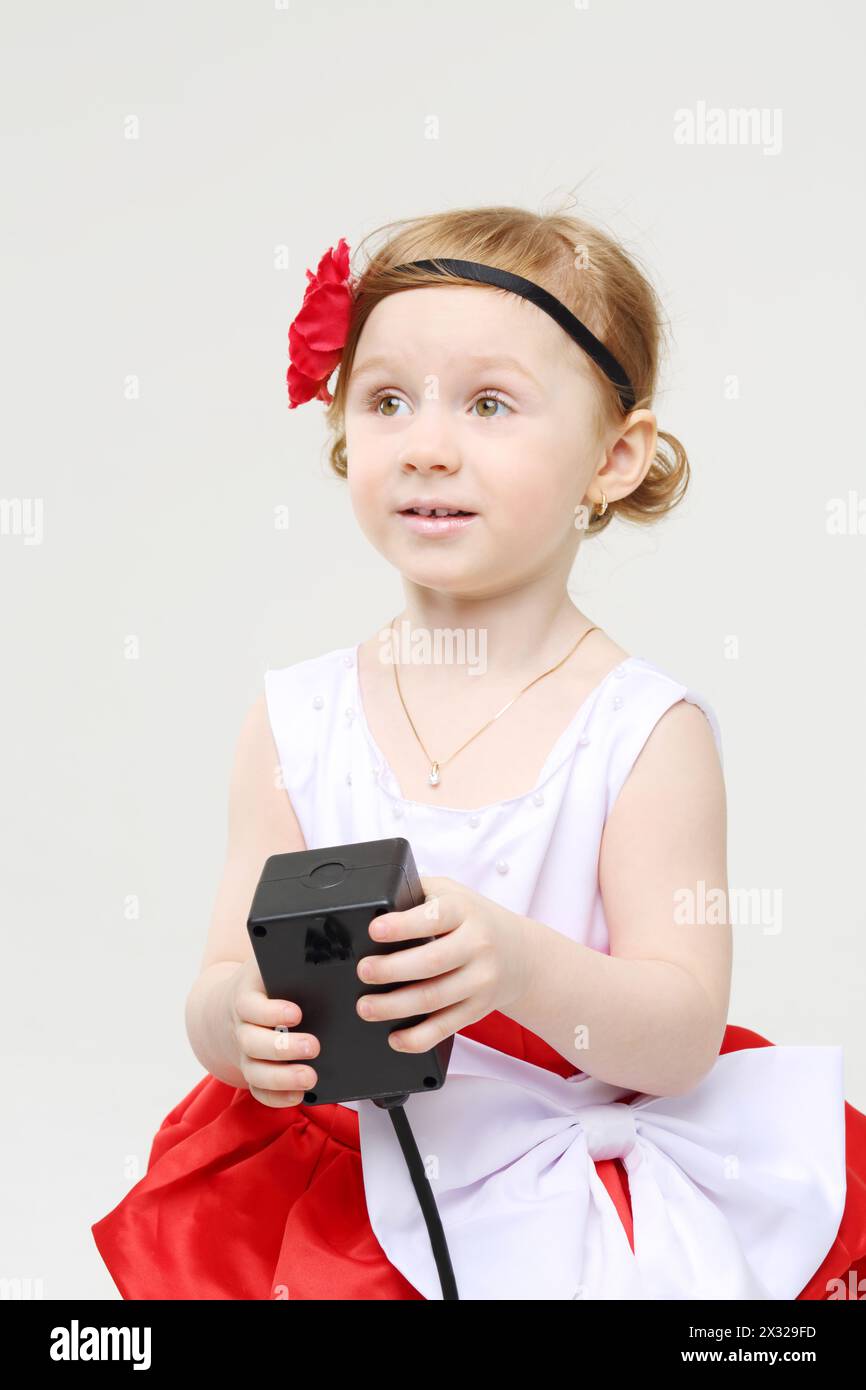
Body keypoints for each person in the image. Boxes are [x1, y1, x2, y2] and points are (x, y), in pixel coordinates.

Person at [91, 205, 866, 1300]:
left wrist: (515, 959)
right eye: (387, 399)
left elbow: (681, 1032)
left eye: (489, 403)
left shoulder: (641, 731)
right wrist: (236, 1025)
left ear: (614, 456)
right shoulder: (295, 718)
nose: (428, 442)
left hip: (564, 1185)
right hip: (356, 1177)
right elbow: (222, 972)